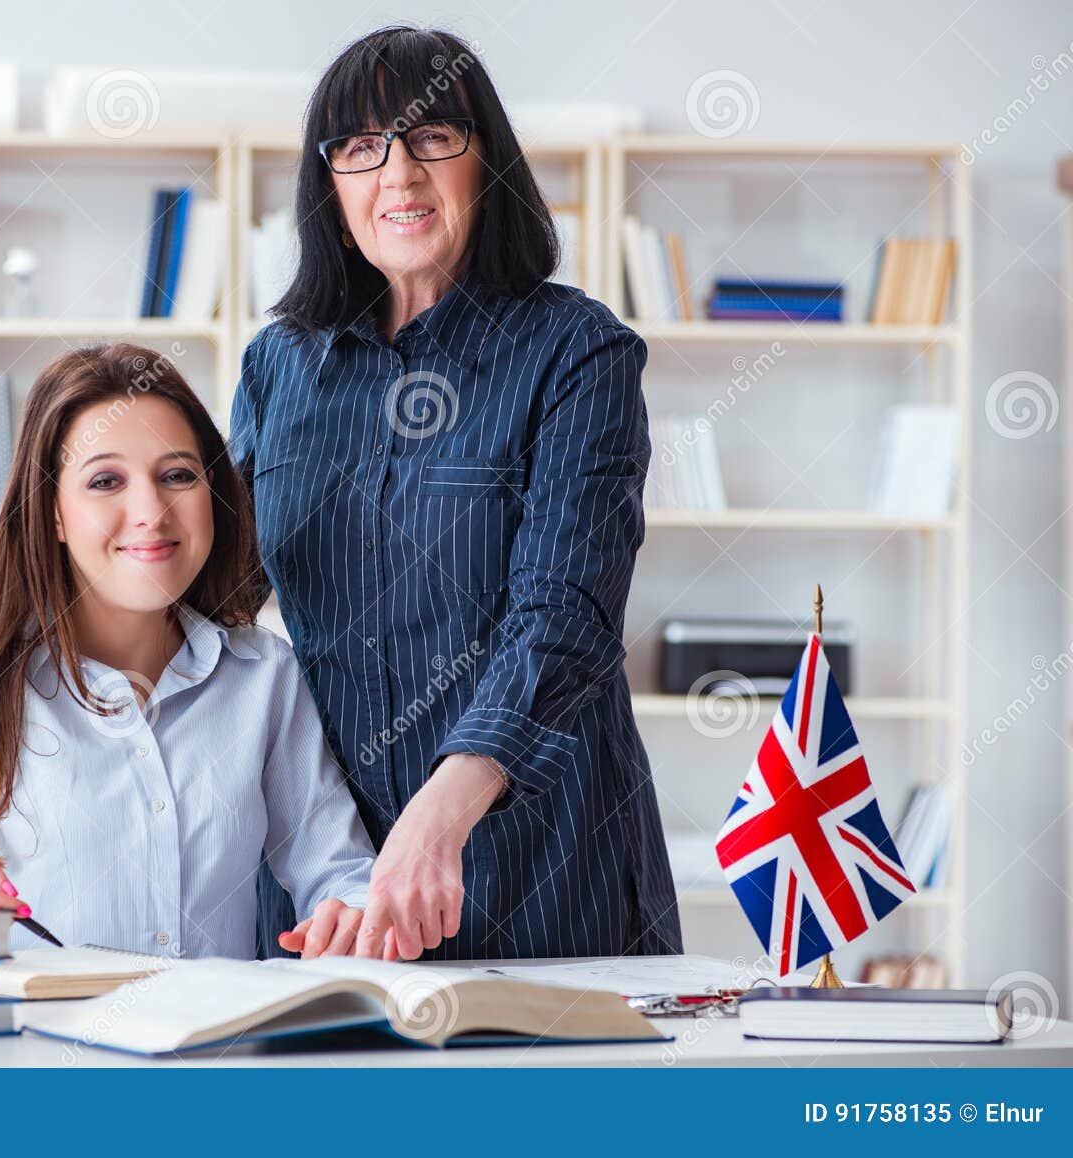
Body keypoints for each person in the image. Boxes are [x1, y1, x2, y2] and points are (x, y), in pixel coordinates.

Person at [232, 26, 683, 960]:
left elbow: (564, 614)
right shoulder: (279, 367)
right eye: (359, 148)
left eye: (431, 137)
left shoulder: (577, 352)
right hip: (339, 889)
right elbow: (213, 602)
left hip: (552, 876)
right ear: (330, 188)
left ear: (488, 162)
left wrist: (441, 814)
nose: (397, 176)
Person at [0, 343, 380, 959]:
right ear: (53, 514)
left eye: (178, 475)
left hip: (215, 1051)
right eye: (105, 481)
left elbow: (340, 872)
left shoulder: (264, 676)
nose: (151, 512)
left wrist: (346, 915)